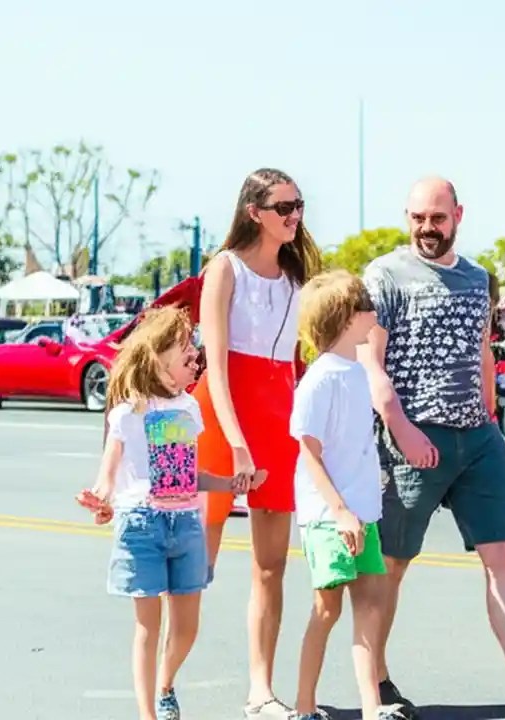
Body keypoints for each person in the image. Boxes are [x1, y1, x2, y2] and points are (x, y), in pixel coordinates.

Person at [358, 177, 505, 720]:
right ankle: (377, 685)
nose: (427, 229)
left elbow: (482, 353)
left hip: (477, 440)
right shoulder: (386, 275)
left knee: (504, 560)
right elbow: (371, 361)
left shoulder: (477, 277)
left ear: (457, 215)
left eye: (437, 218)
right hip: (413, 437)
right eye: (418, 218)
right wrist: (400, 428)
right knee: (391, 565)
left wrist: (493, 425)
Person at [76, 305, 258, 720]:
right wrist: (100, 497)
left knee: (188, 627)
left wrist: (230, 484)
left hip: (185, 524)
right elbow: (108, 475)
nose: (195, 359)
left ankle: (165, 683)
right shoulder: (127, 414)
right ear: (158, 359)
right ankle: (148, 714)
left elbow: (185, 475)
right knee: (148, 626)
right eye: (186, 352)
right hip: (141, 523)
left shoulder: (188, 409)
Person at [191, 167, 322, 718]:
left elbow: (308, 358)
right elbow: (215, 367)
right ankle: (165, 676)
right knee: (196, 564)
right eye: (284, 207)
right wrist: (237, 441)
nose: (295, 216)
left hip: (277, 416)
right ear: (254, 212)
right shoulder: (223, 270)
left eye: (299, 205)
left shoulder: (298, 277)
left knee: (271, 566)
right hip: (220, 417)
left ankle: (261, 692)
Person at [288, 270, 404, 720]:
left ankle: (372, 707)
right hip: (329, 517)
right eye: (364, 308)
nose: (373, 314)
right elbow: (309, 452)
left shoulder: (356, 372)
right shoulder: (320, 380)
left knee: (371, 605)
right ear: (344, 319)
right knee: (327, 607)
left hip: (363, 512)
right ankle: (304, 706)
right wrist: (339, 512)